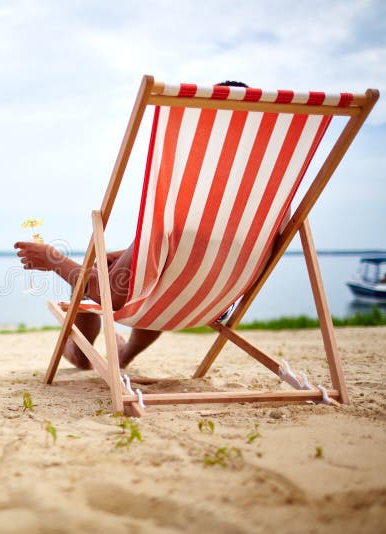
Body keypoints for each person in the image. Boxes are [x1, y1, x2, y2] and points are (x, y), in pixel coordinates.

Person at [15, 80, 248, 371]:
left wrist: (53, 259)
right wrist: (131, 253)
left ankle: (81, 355)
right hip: (211, 305)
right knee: (158, 279)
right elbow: (200, 245)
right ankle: (125, 355)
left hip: (157, 302)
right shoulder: (269, 195)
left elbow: (109, 297)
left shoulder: (183, 197)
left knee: (104, 282)